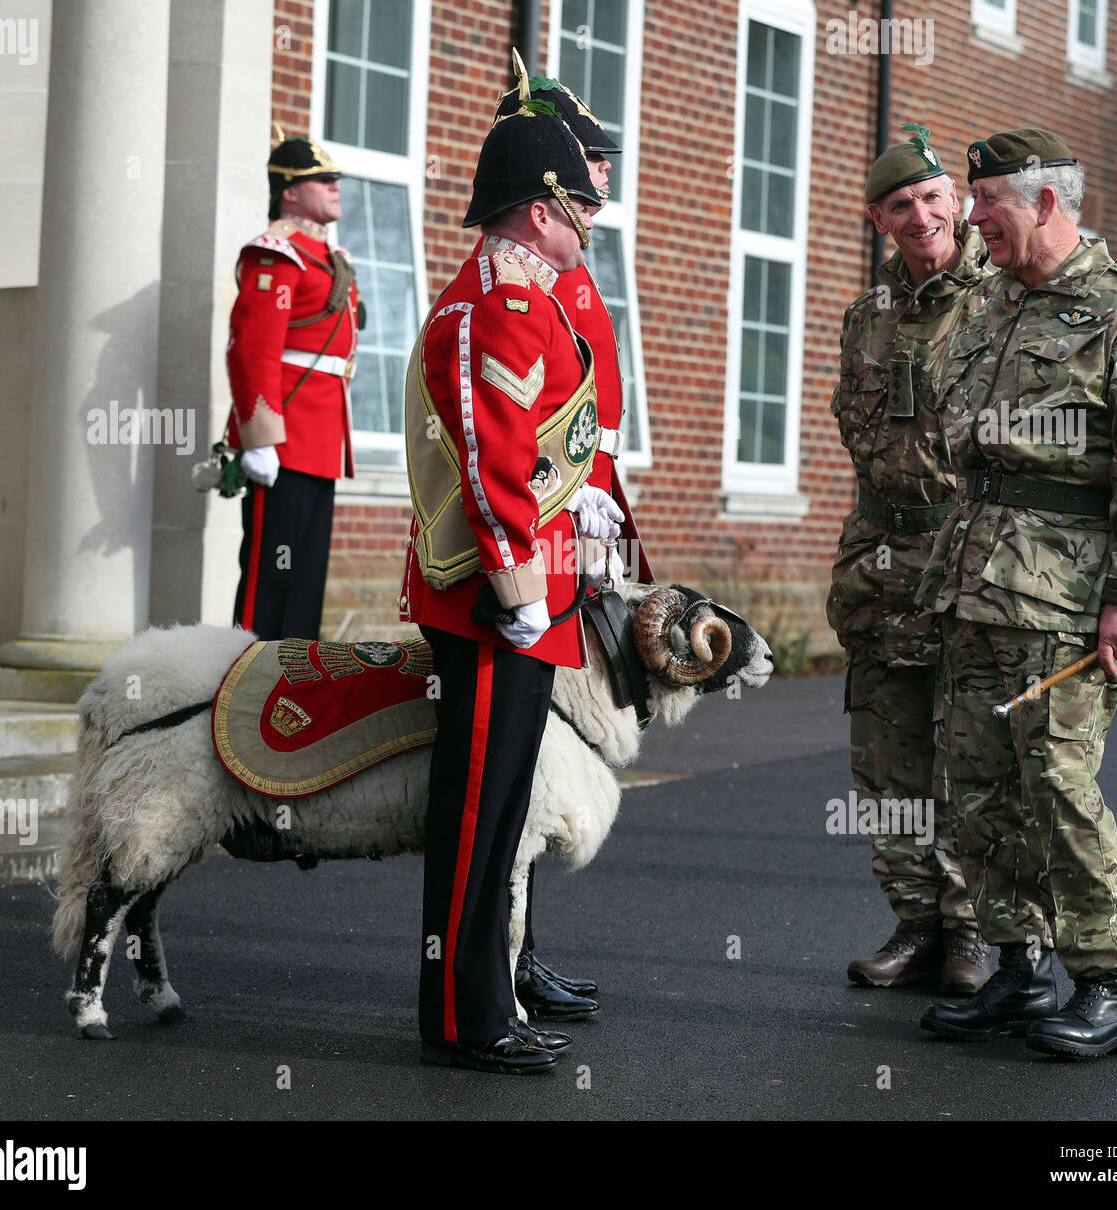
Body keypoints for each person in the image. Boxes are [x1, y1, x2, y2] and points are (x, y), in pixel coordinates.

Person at [916, 129, 1117, 1058]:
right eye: (971, 197)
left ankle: (1108, 983)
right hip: (975, 577)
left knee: (1060, 788)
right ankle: (1020, 967)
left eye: (986, 198)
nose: (971, 215)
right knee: (981, 787)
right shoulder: (993, 303)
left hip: (1066, 597)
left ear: (1045, 202)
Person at [399, 105, 622, 1073]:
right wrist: (522, 586)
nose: (586, 225)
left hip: (517, 591)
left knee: (499, 818)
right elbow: (499, 466)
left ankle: (482, 999)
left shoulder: (520, 293)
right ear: (539, 210)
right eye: (578, 209)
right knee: (476, 821)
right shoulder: (504, 301)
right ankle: (463, 1013)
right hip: (498, 602)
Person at [486, 60, 654, 1023]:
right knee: (533, 747)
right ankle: (507, 954)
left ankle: (524, 949)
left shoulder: (568, 269)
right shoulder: (526, 281)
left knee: (551, 750)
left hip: (582, 512)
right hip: (551, 520)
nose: (596, 181)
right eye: (584, 162)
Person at [829, 125, 992, 996]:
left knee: (962, 748)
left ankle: (969, 932)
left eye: (933, 198)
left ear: (958, 205)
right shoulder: (866, 316)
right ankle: (914, 923)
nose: (921, 215)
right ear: (879, 219)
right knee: (885, 754)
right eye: (902, 205)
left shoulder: (1002, 303)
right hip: (878, 558)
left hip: (967, 554)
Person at [226, 136, 359, 640]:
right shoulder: (275, 253)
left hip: (321, 437)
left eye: (334, 178)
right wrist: (258, 437)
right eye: (321, 180)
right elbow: (251, 349)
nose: (334, 187)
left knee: (304, 582)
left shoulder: (329, 255)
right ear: (289, 192)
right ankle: (241, 684)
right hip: (282, 435)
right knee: (270, 580)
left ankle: (292, 684)